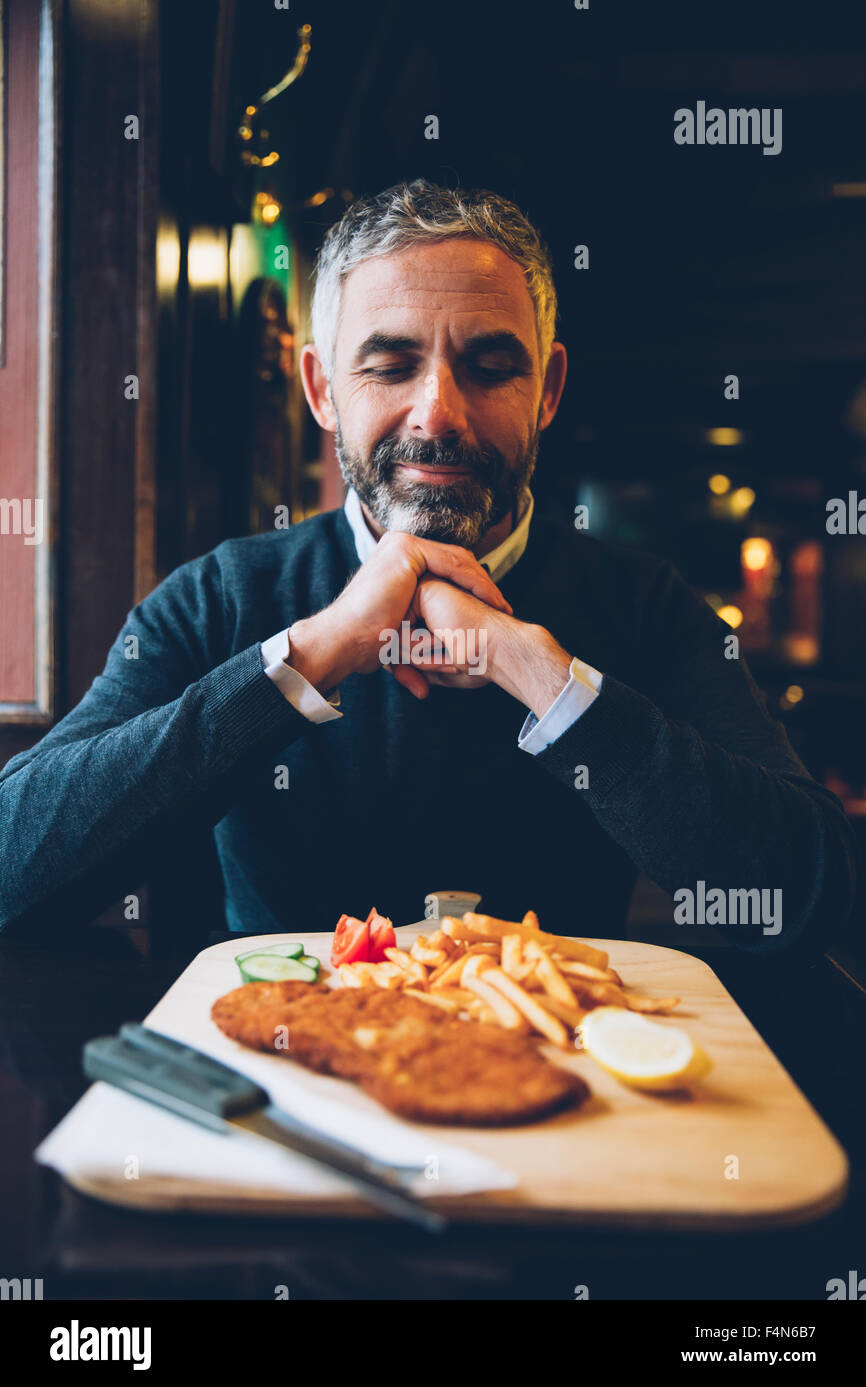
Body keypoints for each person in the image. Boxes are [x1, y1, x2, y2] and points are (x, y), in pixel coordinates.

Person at [0, 179, 854, 949]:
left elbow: (810, 895)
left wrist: (538, 670)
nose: (438, 413)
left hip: (570, 1103)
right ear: (324, 390)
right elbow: (13, 872)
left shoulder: (648, 608)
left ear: (547, 392)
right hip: (280, 1095)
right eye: (390, 365)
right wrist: (318, 651)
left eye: (489, 368)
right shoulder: (220, 598)